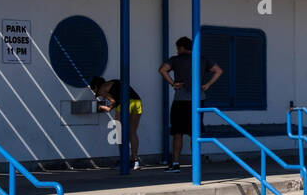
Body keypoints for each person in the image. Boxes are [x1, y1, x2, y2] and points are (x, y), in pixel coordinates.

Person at [158, 37, 224, 173]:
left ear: (181, 47)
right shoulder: (202, 59)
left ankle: (176, 163)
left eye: (178, 48)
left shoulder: (176, 59)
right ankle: (196, 164)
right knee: (195, 132)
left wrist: (173, 84)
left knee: (178, 132)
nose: (177, 50)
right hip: (198, 99)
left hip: (181, 99)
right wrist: (207, 85)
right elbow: (219, 70)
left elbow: (162, 70)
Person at [89, 76, 142, 170]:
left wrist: (107, 108)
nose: (94, 92)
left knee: (119, 132)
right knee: (132, 132)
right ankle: (135, 160)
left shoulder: (101, 89)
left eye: (93, 89)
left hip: (125, 103)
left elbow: (113, 101)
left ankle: (123, 160)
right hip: (137, 101)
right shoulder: (114, 82)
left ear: (96, 87)